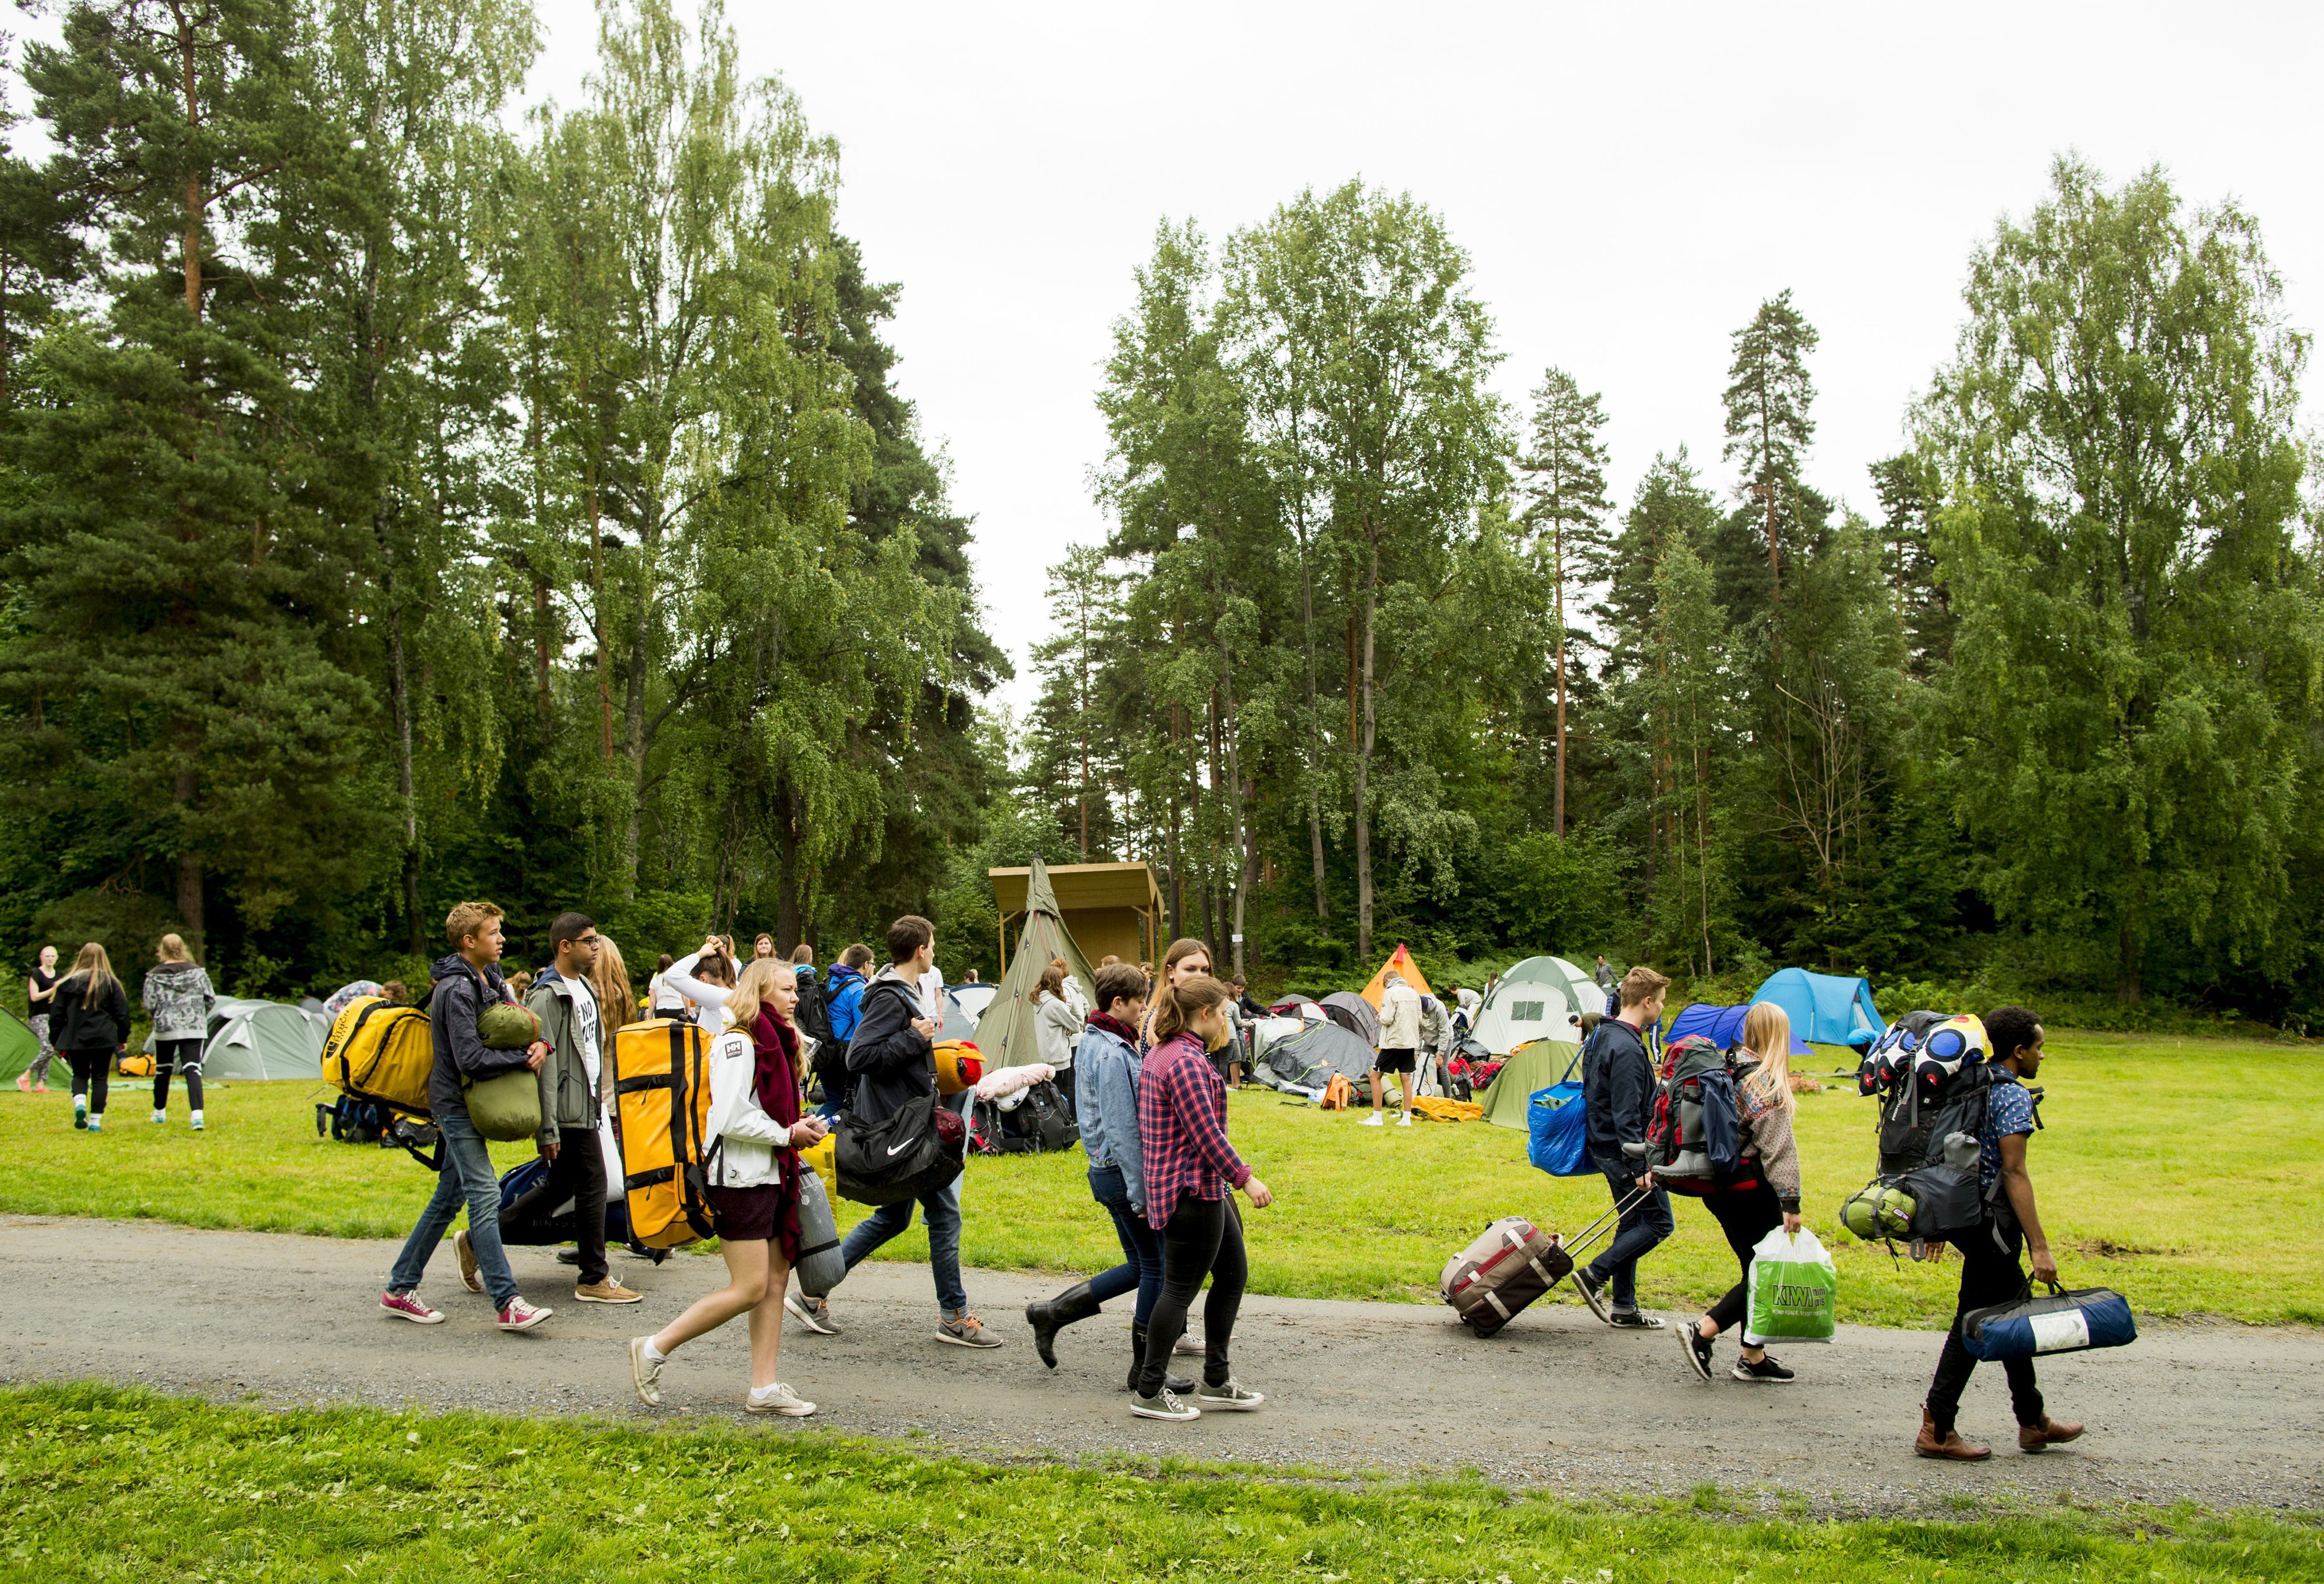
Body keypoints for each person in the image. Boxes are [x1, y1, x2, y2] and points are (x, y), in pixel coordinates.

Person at [630, 958, 831, 1416]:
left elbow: (762, 1111)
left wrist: (798, 1124)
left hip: (770, 1173)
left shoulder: (778, 1041)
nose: (795, 998)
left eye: (795, 990)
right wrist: (788, 1134)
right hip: (739, 1179)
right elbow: (730, 1117)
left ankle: (764, 1388)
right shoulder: (738, 1042)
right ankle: (654, 1347)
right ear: (759, 993)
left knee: (776, 1280)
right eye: (786, 990)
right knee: (750, 1287)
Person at [379, 901, 554, 1332]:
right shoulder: (455, 989)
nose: (502, 939)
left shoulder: (489, 975)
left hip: (469, 1101)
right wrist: (523, 1059)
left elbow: (516, 1023)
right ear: (468, 941)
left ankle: (400, 1288)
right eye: (493, 933)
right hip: (455, 1105)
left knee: (448, 1198)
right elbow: (471, 1059)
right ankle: (508, 1301)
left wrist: (541, 1044)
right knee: (485, 1193)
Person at [1919, 1006, 2083, 1460]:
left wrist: (1938, 1217)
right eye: (2039, 1048)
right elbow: (2014, 1173)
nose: (2042, 1056)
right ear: (2019, 1051)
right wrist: (2040, 1248)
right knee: (1973, 1320)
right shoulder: (2010, 1095)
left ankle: (2032, 1421)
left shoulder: (1969, 1085)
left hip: (1965, 1216)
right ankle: (1937, 1427)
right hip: (1992, 1224)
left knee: (2012, 1310)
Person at [1024, 962, 1194, 1393]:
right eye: (1139, 1003)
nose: (1143, 1011)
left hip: (1107, 1173)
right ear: (1118, 1003)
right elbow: (1122, 1130)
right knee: (1157, 1268)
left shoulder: (1099, 1039)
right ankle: (1146, 1369)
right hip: (1120, 1175)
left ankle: (1052, 1314)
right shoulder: (1112, 1053)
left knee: (1141, 1265)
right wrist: (1143, 1196)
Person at [831, 915, 997, 1347]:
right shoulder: (889, 996)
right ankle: (954, 1317)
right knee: (944, 1215)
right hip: (903, 1128)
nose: (934, 952)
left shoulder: (904, 990)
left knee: (894, 1216)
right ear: (921, 949)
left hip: (907, 1120)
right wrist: (913, 1037)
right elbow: (859, 1057)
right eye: (933, 945)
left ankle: (813, 1289)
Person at [1132, 973, 1272, 1421]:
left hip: (1200, 1187)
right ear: (1206, 1013)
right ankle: (1148, 1391)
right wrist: (1245, 1179)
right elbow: (1205, 1134)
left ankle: (1216, 1380)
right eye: (1224, 1014)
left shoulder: (1169, 1052)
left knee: (1231, 1275)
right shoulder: (1185, 1062)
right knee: (1178, 1291)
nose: (1226, 1022)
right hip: (1189, 1190)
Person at [490, 912, 640, 1307]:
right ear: (565, 946)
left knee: (559, 1187)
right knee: (594, 1183)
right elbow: (541, 1065)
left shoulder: (584, 987)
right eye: (589, 941)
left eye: (597, 939)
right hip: (566, 1109)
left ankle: (478, 1240)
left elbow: (588, 1052)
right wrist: (548, 1128)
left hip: (587, 1103)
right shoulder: (547, 994)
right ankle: (593, 1276)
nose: (596, 946)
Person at [1675, 1001, 1804, 1385]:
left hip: (1718, 1186)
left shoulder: (1728, 1066)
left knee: (1755, 1267)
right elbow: (1779, 1149)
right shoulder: (1764, 1083)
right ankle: (1704, 1330)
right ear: (1778, 1036)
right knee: (1768, 1271)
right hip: (1750, 1190)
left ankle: (1753, 1356)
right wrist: (1791, 1202)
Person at [1573, 965, 1674, 1330]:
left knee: (1631, 1223)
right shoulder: (1627, 1047)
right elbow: (1626, 1112)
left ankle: (1624, 1306)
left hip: (1605, 1145)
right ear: (1647, 1001)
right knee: (1660, 1223)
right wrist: (1639, 1167)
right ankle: (1594, 1274)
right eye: (1661, 1002)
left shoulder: (1604, 1032)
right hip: (1623, 1152)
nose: (1662, 1008)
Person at [48, 943, 129, 1132]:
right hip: (104, 1037)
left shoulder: (67, 984)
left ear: (81, 958)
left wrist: (56, 1041)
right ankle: (95, 1121)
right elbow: (122, 1014)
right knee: (100, 1078)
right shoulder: (111, 983)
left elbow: (56, 1017)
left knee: (80, 1074)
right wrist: (122, 1037)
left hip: (76, 1038)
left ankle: (80, 1103)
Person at [142, 933, 216, 1130]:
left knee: (163, 1069)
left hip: (166, 1027)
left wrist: (159, 1015)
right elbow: (210, 998)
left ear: (162, 950)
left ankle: (159, 1113)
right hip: (193, 1026)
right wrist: (198, 1014)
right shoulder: (198, 973)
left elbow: (149, 1003)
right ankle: (197, 1116)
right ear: (183, 948)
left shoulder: (154, 976)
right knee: (193, 1068)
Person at [1366, 970, 1424, 1127]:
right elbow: (1420, 1018)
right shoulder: (1414, 993)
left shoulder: (1390, 993)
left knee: (1374, 1076)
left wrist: (1379, 1018)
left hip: (1393, 1042)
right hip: (1409, 1042)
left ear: (1387, 980)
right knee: (1406, 1078)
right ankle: (1407, 1118)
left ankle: (1377, 1117)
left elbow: (1387, 1018)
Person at [1138, 938, 1214, 1052]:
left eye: (1204, 970)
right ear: (1170, 972)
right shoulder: (1164, 1017)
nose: (1199, 976)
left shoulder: (1194, 1012)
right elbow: (1179, 1061)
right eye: (1190, 969)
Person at [663, 940, 739, 1031]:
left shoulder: (717, 997)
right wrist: (713, 946)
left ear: (703, 979)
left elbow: (672, 975)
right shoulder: (737, 989)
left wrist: (701, 953)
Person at [19, 945, 60, 1092]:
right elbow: (34, 997)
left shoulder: (59, 975)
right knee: (48, 1049)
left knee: (48, 1049)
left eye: (53, 956)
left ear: (57, 958)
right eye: (47, 956)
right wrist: (53, 989)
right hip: (38, 1016)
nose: (50, 959)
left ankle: (40, 1084)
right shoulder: (36, 974)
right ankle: (25, 1076)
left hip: (53, 1016)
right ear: (41, 957)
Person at [1032, 964, 1080, 1073]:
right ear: (1058, 982)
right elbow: (1075, 1026)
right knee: (1066, 1085)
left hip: (1047, 1055)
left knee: (1053, 1084)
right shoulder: (1056, 1005)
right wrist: (1067, 1029)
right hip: (1060, 1058)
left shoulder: (1038, 1001)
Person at [650, 954, 687, 1019]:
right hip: (678, 1009)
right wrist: (688, 1012)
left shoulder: (655, 980)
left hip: (662, 1011)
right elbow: (686, 998)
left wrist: (649, 1016)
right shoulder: (678, 978)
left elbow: (652, 1002)